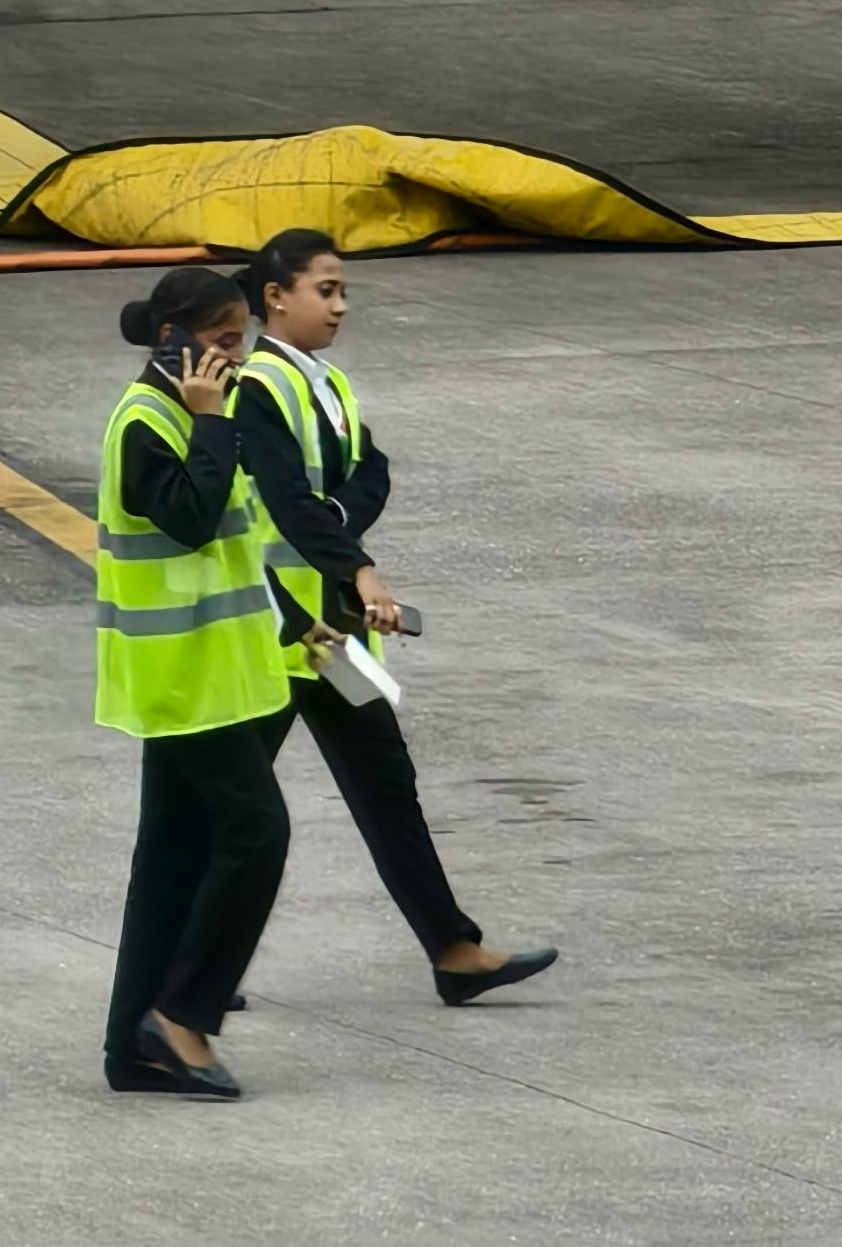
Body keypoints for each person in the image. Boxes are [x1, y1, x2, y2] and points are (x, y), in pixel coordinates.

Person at [235, 229, 558, 1009]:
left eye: (344, 291)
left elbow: (370, 473)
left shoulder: (329, 385)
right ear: (276, 297)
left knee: (388, 790)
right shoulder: (257, 390)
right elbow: (285, 506)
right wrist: (356, 557)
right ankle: (183, 966)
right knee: (235, 809)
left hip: (338, 633)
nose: (341, 305)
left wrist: (340, 523)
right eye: (326, 289)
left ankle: (452, 948)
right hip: (275, 631)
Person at [96, 259, 304, 1098]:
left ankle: (132, 1048)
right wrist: (211, 421)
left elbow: (237, 537)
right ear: (175, 341)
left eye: (243, 342)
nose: (240, 358)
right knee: (258, 835)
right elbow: (188, 522)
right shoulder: (150, 420)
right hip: (183, 679)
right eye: (225, 342)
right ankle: (181, 1017)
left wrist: (297, 616)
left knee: (174, 857)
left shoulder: (192, 413)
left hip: (212, 673)